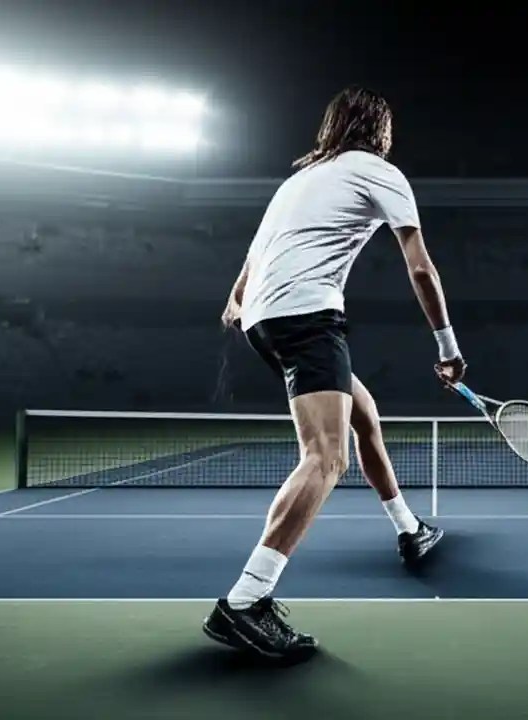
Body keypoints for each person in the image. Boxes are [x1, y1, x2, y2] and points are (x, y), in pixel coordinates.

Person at [202, 86, 467, 665]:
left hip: (263, 318)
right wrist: (448, 347)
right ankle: (247, 600)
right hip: (307, 314)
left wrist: (239, 300)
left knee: (363, 418)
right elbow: (420, 268)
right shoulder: (381, 172)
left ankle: (408, 528)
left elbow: (252, 260)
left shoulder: (298, 180)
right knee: (326, 457)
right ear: (380, 133)